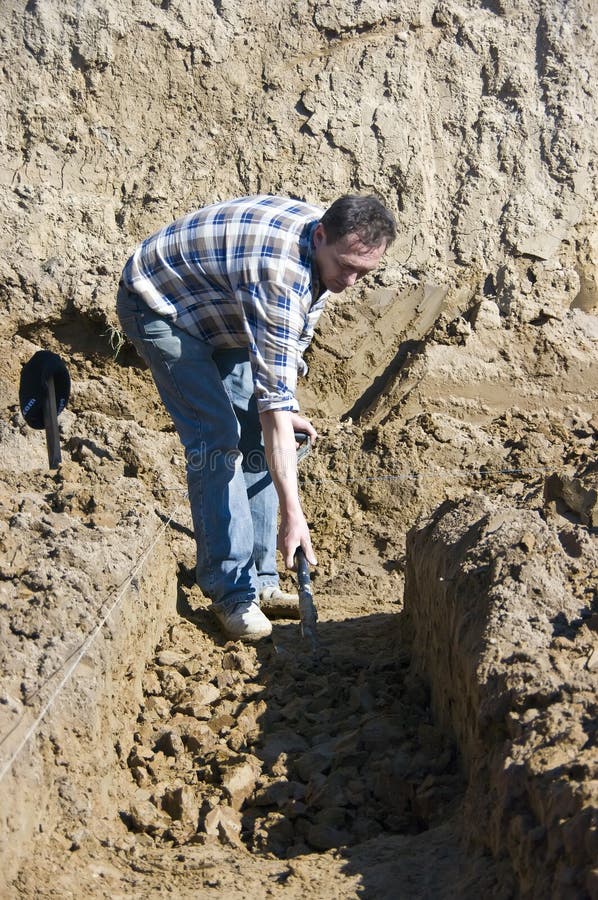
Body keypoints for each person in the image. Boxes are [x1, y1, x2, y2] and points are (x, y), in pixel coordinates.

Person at [116, 194, 396, 641]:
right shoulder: (280, 276)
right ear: (321, 236)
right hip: (161, 303)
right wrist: (293, 513)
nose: (351, 280)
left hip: (221, 307)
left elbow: (287, 349)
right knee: (217, 438)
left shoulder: (324, 257)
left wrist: (287, 408)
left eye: (364, 272)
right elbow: (272, 403)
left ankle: (262, 580)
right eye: (346, 266)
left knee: (256, 428)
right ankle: (232, 594)